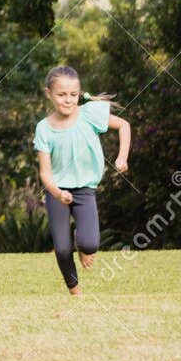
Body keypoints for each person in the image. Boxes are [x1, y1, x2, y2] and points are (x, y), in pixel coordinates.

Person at [34, 65, 131, 295]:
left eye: (73, 95)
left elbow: (124, 126)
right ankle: (76, 293)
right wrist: (57, 193)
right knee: (62, 248)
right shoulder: (44, 128)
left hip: (85, 189)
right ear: (48, 93)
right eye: (61, 94)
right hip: (57, 190)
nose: (68, 100)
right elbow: (45, 173)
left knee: (90, 244)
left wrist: (122, 156)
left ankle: (83, 244)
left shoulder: (89, 115)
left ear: (79, 93)